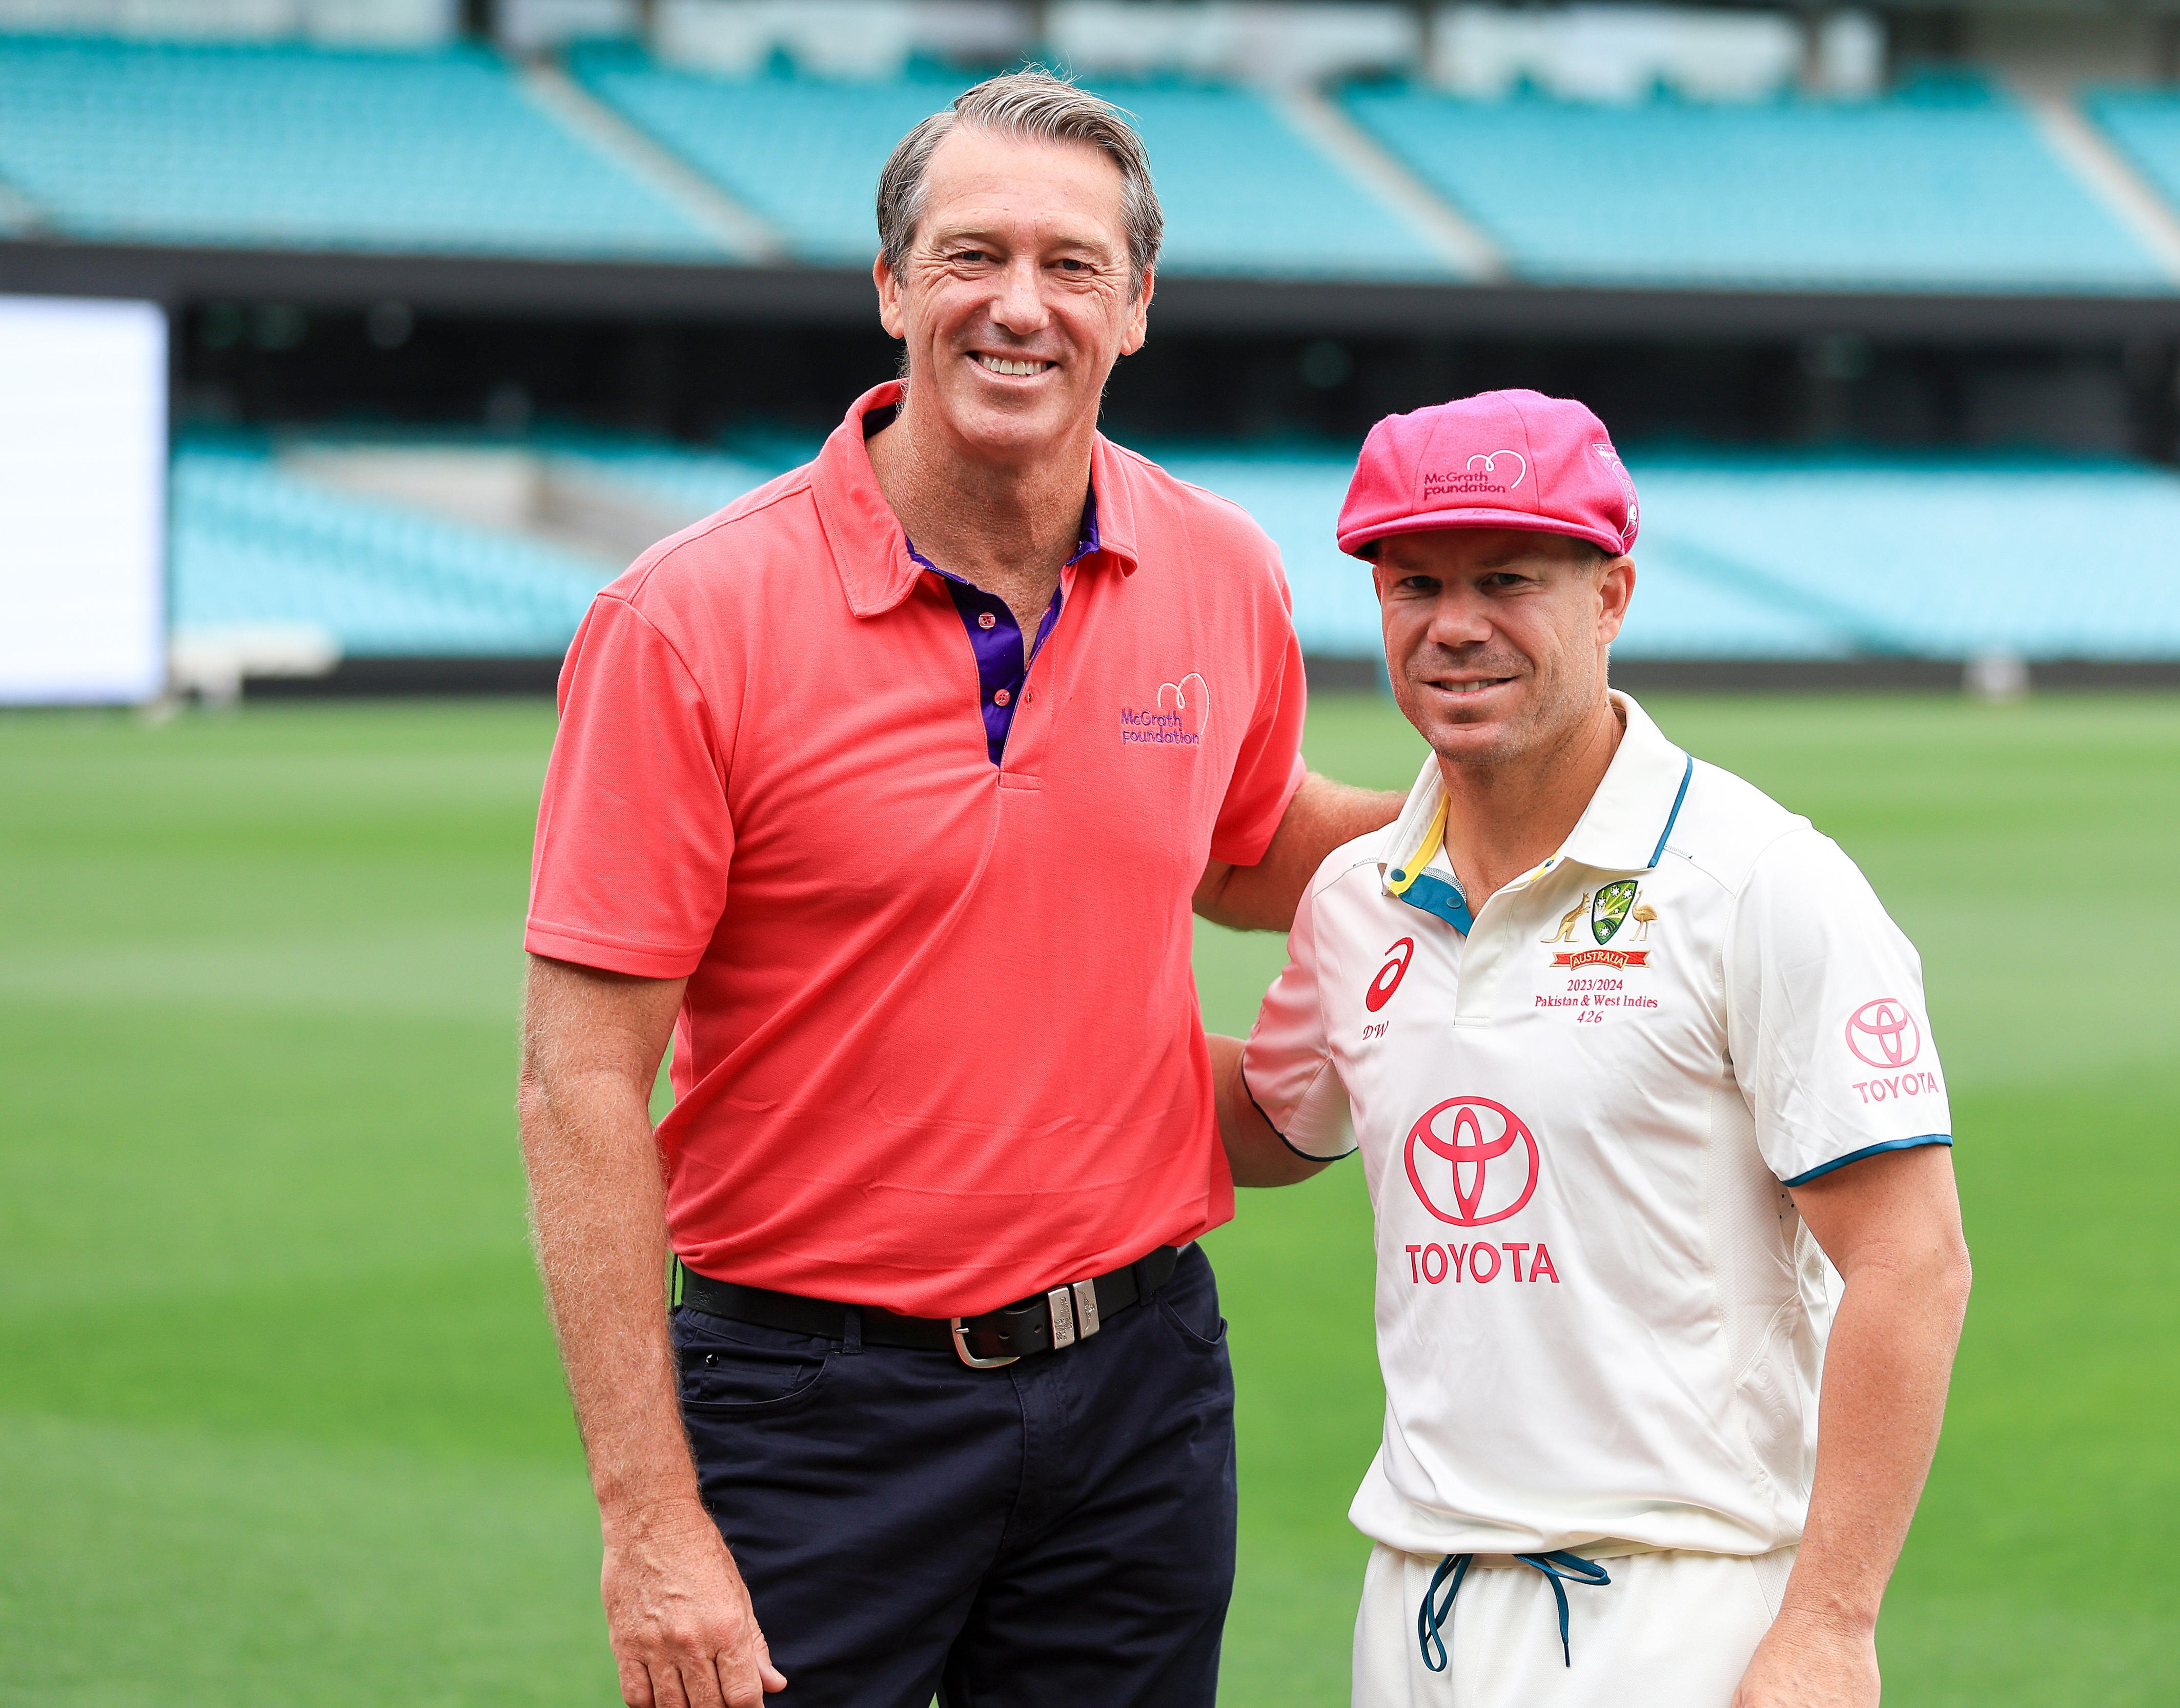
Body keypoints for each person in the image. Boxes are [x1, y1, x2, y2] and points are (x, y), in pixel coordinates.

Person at [516, 72, 1396, 1708]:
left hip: (1141, 1383)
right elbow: (578, 1083)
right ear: (891, 285)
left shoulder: (1220, 567)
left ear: (1137, 306)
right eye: (971, 255)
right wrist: (651, 1521)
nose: (1019, 305)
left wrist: (1503, 823)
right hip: (807, 1400)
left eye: (1072, 265)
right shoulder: (685, 620)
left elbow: (1245, 841)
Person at [1217, 390, 1972, 1707]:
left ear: (1610, 594)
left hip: (1676, 1608)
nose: (1455, 624)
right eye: (1415, 584)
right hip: (1413, 1604)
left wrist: (1829, 1624)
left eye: (1506, 579)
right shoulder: (1354, 895)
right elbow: (1266, 1126)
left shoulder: (1757, 881)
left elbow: (1911, 1258)